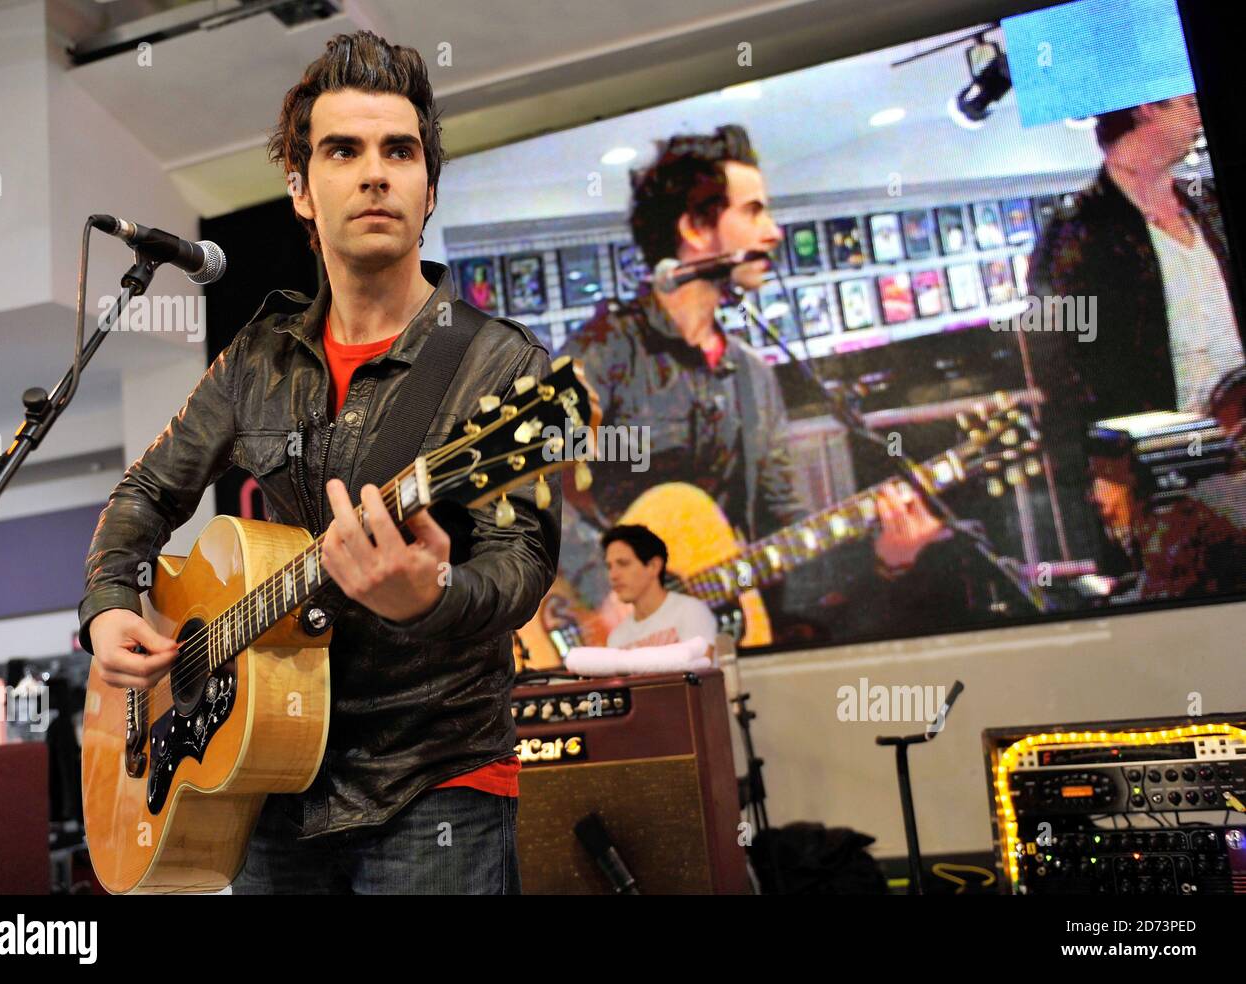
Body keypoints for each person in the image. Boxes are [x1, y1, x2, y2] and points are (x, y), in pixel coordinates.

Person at [76, 31, 560, 894]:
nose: (375, 173)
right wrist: (111, 603)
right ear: (301, 190)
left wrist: (433, 593)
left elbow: (519, 565)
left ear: (428, 188)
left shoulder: (499, 366)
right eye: (343, 150)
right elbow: (146, 493)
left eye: (399, 151)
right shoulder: (255, 357)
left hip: (431, 784)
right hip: (266, 781)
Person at [558, 125, 958, 647]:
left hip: (720, 643)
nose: (773, 232)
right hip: (605, 642)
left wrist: (885, 556)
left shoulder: (752, 374)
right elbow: (524, 481)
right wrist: (600, 586)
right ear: (697, 228)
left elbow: (785, 528)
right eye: (753, 212)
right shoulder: (605, 348)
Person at [1027, 92, 1246, 569]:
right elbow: (1060, 376)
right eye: (1187, 105)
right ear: (1147, 110)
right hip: (1171, 470)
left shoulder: (1206, 205)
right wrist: (1104, 470)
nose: (1197, 117)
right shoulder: (1075, 232)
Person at [601, 525, 717, 659]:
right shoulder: (616, 638)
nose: (613, 575)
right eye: (609, 567)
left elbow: (700, 674)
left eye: (623, 563)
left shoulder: (690, 611)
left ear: (653, 566)